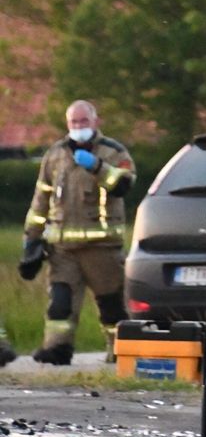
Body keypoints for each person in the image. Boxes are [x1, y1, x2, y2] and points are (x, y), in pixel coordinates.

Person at [20, 100, 136, 365]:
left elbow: (123, 184)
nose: (79, 126)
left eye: (84, 121)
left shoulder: (113, 152)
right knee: (60, 303)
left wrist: (96, 166)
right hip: (63, 250)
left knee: (112, 305)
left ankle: (120, 352)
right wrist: (31, 240)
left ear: (95, 122)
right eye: (74, 122)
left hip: (102, 249)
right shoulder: (55, 155)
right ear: (67, 124)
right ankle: (56, 350)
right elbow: (40, 200)